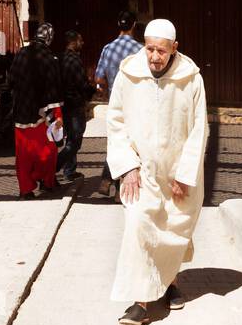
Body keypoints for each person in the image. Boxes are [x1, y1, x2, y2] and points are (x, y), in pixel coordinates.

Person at [105, 18, 208, 325]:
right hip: (143, 171)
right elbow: (116, 121)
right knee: (139, 227)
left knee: (175, 229)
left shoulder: (191, 79)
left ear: (174, 48)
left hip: (178, 171)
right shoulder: (128, 74)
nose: (154, 57)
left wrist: (185, 173)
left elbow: (199, 129)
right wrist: (128, 168)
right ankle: (140, 302)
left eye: (161, 51)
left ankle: (171, 283)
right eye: (149, 49)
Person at [8, 22, 61, 199]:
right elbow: (53, 88)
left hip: (21, 112)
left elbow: (12, 80)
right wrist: (54, 115)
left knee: (23, 154)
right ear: (50, 38)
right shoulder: (49, 57)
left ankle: (25, 190)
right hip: (42, 113)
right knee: (48, 150)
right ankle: (46, 180)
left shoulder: (21, 53)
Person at [94, 11, 142, 198]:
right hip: (136, 104)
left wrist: (108, 86)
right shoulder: (140, 49)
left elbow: (98, 78)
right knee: (132, 145)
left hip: (115, 102)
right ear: (134, 25)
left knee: (115, 141)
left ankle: (107, 181)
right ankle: (118, 192)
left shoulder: (108, 48)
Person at [56, 30, 95, 184]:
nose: (82, 43)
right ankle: (54, 166)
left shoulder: (60, 58)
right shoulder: (74, 60)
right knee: (75, 141)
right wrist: (93, 91)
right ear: (73, 42)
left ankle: (69, 171)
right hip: (74, 105)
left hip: (62, 105)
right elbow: (82, 83)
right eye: (80, 40)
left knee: (70, 138)